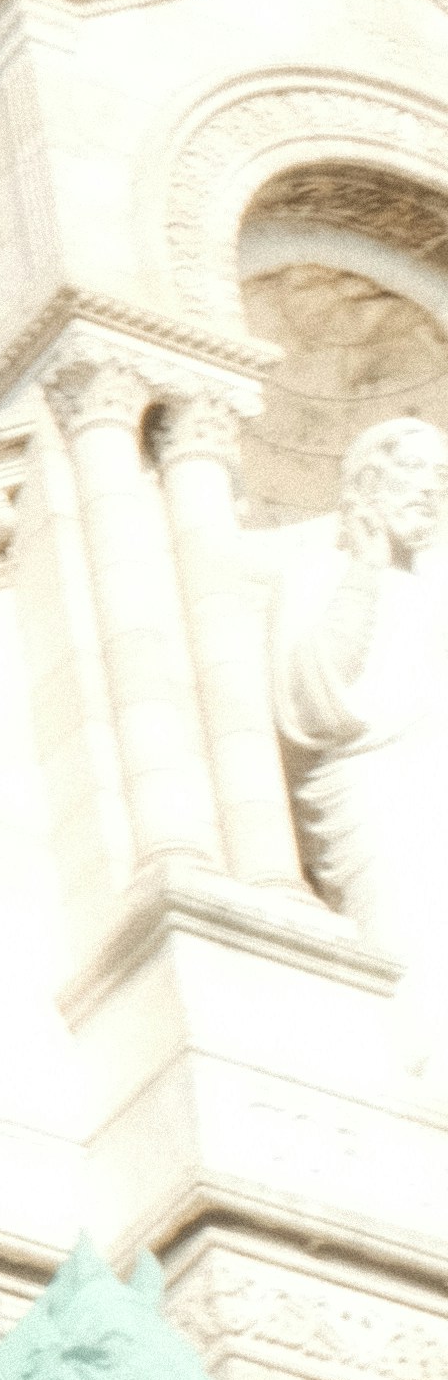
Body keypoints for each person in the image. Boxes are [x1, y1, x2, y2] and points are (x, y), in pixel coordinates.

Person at [271, 410, 448, 979]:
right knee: (412, 933)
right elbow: (312, 696)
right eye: (416, 468)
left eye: (441, 475)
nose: (431, 486)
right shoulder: (324, 570)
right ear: (370, 482)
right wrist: (366, 572)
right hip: (373, 781)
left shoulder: (435, 586)